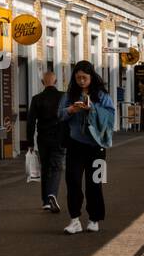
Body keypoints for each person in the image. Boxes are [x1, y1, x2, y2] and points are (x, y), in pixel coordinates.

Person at [58, 62, 114, 234]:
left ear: (92, 77)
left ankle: (94, 219)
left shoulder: (102, 95)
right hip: (75, 145)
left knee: (95, 183)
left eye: (85, 78)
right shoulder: (69, 95)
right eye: (78, 78)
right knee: (73, 181)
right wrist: (71, 110)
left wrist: (93, 109)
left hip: (98, 146)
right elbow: (60, 114)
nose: (81, 81)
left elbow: (111, 117)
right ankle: (74, 220)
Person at [27, 70, 67, 214]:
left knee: (45, 168)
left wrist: (30, 142)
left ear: (43, 83)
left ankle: (45, 201)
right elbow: (67, 117)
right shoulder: (63, 97)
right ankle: (52, 195)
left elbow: (30, 122)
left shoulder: (36, 99)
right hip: (59, 137)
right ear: (56, 82)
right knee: (56, 167)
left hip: (42, 139)